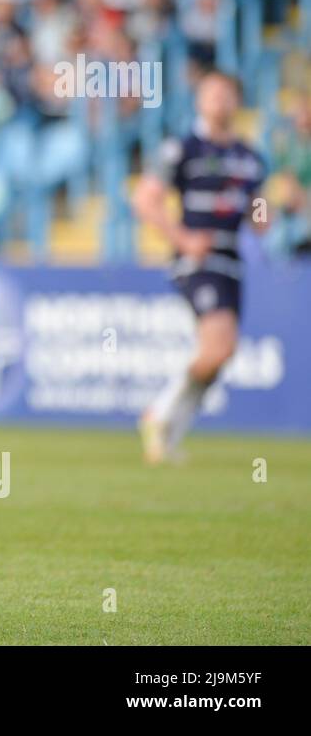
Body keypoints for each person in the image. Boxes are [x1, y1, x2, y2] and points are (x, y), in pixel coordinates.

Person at [133, 71, 267, 464]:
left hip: (231, 260)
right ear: (199, 101)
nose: (219, 102)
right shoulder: (183, 148)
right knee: (220, 345)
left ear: (237, 101)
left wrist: (268, 212)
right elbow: (145, 200)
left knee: (220, 354)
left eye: (227, 94)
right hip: (199, 260)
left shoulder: (250, 157)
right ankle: (159, 413)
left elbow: (258, 214)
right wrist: (183, 238)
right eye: (212, 95)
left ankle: (167, 436)